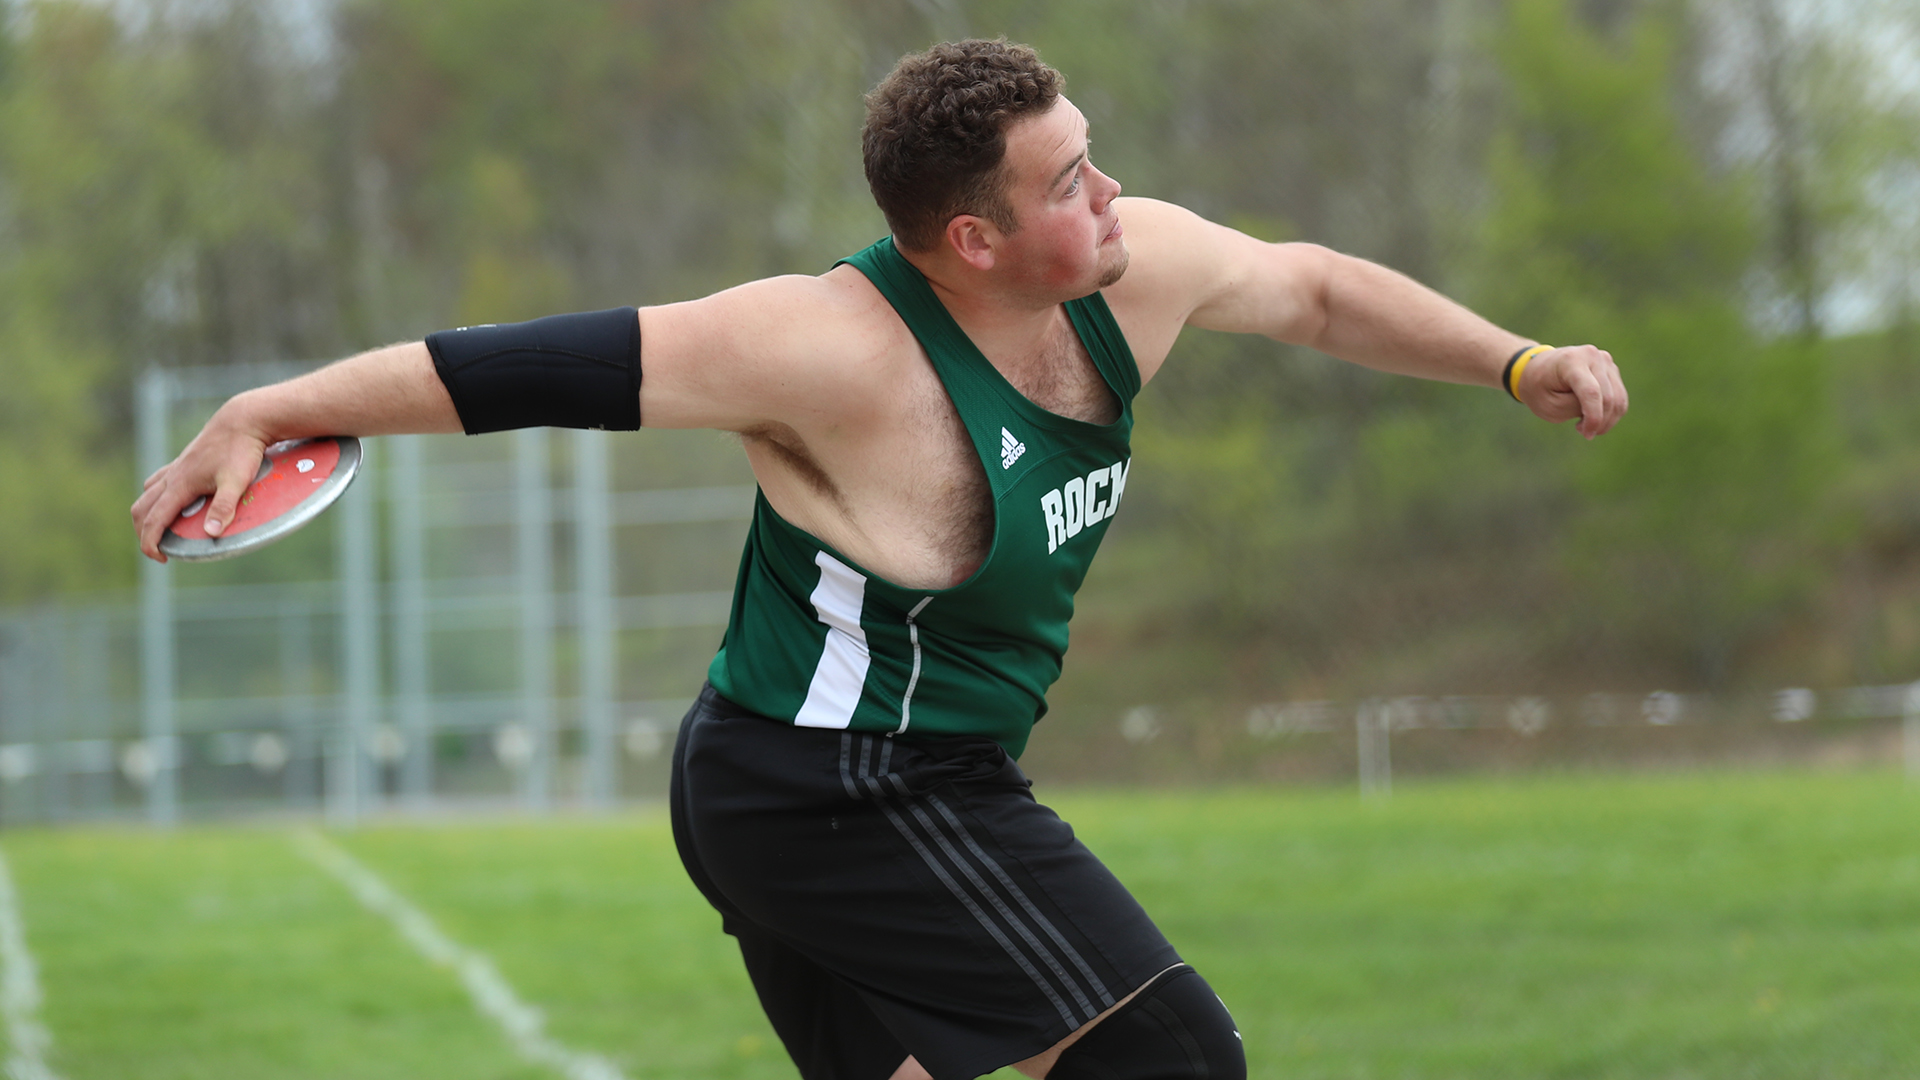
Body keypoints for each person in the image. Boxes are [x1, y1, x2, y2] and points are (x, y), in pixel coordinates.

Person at [131, 38, 1625, 1080]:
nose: (1110, 198)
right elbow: (522, 370)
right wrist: (273, 407)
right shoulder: (823, 348)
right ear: (971, 238)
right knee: (1170, 1052)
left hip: (892, 773)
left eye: (1093, 160)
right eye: (1069, 182)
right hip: (825, 789)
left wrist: (1517, 361)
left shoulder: (1132, 267)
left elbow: (1308, 291)